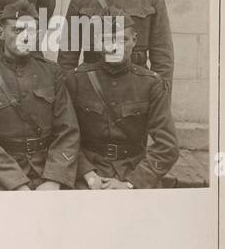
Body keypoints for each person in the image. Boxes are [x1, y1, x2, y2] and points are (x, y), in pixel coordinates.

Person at [0, 0, 80, 191]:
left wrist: (54, 179)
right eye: (17, 30)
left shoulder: (52, 73)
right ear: (0, 33)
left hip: (46, 171)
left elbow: (68, 131)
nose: (25, 37)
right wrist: (17, 184)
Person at [65, 11, 179, 189]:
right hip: (89, 172)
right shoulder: (77, 80)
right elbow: (64, 137)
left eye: (122, 40)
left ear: (134, 40)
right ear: (98, 42)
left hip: (135, 171)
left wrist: (131, 183)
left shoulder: (151, 84)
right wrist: (88, 175)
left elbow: (167, 146)